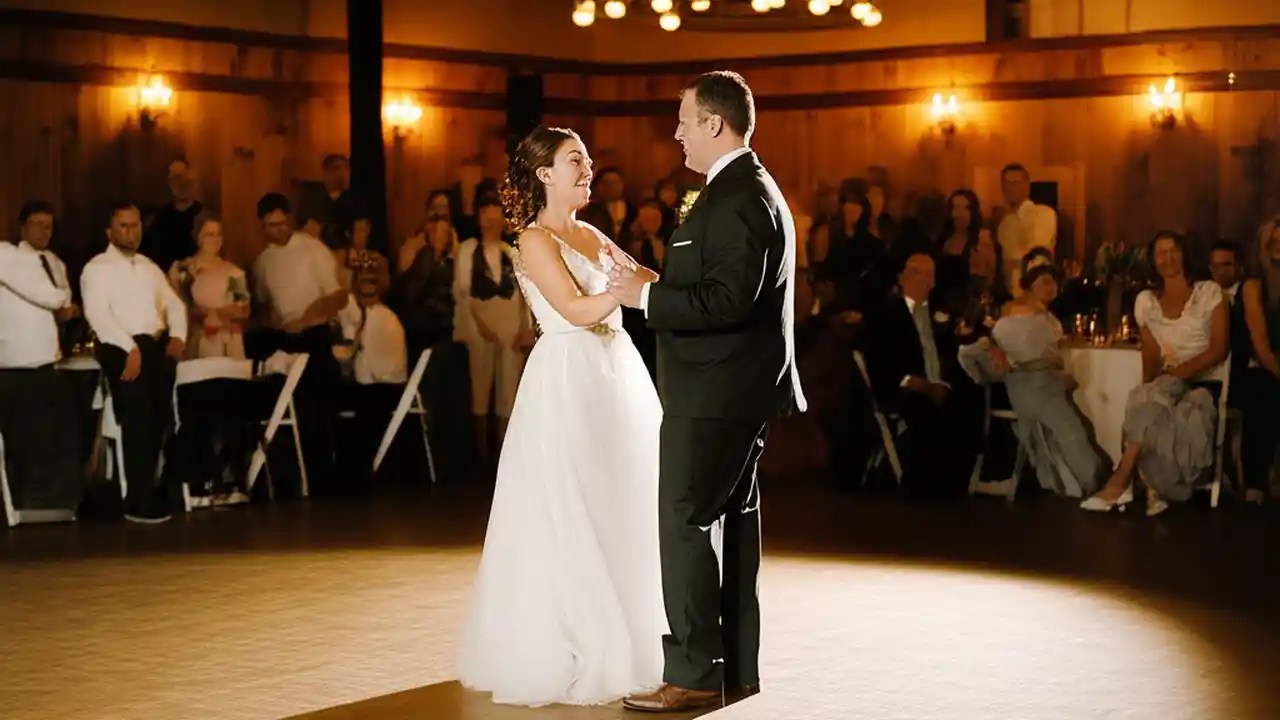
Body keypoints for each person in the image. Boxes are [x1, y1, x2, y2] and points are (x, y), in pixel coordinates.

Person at [607, 71, 806, 712]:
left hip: (718, 392)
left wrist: (641, 296)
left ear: (714, 124)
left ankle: (693, 673)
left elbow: (726, 301)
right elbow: (718, 280)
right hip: (732, 390)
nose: (677, 132)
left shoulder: (739, 196)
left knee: (684, 520)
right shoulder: (738, 190)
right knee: (735, 529)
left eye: (685, 120)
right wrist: (653, 278)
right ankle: (735, 670)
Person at [456, 126, 665, 707]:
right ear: (544, 173)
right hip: (569, 375)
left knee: (619, 498)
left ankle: (628, 630)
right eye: (576, 161)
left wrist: (638, 285)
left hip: (614, 372)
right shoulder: (533, 239)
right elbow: (573, 309)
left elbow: (642, 279)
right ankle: (569, 641)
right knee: (566, 504)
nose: (587, 169)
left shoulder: (593, 232)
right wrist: (623, 291)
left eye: (589, 161)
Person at [1081, 231, 1227, 516]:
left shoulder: (1209, 292)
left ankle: (1123, 481)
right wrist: (1152, 393)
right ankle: (1134, 483)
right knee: (1145, 400)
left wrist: (1173, 377)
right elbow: (1150, 358)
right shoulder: (1146, 301)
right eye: (1161, 252)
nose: (1168, 257)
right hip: (1166, 383)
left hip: (1203, 381)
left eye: (1173, 250)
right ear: (1153, 261)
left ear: (1184, 254)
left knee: (1169, 404)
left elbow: (1218, 349)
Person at [82, 201, 188, 523]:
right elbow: (98, 315)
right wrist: (130, 349)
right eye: (124, 225)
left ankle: (155, 488)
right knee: (137, 415)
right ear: (110, 231)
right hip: (118, 342)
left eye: (136, 224)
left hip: (152, 344)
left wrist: (179, 336)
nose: (132, 231)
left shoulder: (149, 267)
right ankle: (137, 500)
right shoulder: (97, 268)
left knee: (160, 415)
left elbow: (173, 303)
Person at [453, 199, 532, 469]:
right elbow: (462, 291)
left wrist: (526, 328)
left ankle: (504, 455)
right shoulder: (467, 249)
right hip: (480, 322)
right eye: (484, 213)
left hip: (509, 322)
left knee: (508, 389)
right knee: (480, 386)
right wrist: (476, 324)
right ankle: (481, 456)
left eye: (494, 214)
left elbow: (525, 295)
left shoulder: (512, 252)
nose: (489, 218)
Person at [169, 211, 249, 359]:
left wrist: (217, 314)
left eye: (218, 234)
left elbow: (243, 308)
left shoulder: (232, 271)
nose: (215, 239)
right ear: (198, 236)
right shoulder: (183, 268)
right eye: (209, 234)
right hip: (197, 337)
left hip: (228, 337)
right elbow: (177, 307)